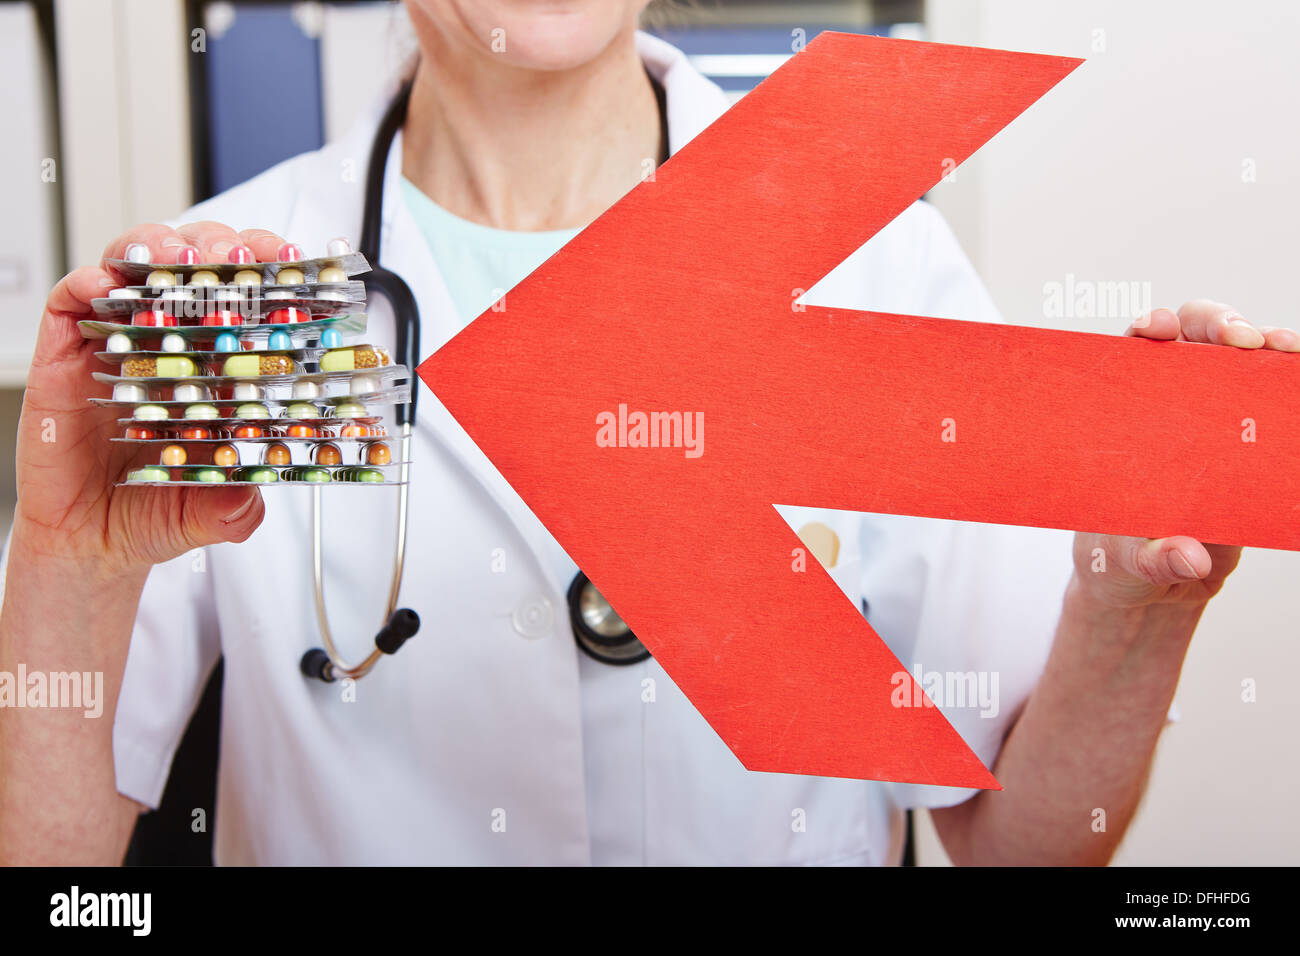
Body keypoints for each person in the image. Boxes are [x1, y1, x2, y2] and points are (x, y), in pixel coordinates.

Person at [1, 0, 1295, 866]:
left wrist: (1133, 603)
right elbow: (54, 871)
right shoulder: (238, 298)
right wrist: (66, 559)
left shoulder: (869, 256)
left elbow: (1026, 845)